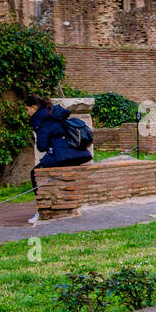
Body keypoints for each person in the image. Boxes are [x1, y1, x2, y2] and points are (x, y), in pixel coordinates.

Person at [24, 95, 92, 225]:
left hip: (62, 155)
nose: (27, 113)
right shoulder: (54, 113)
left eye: (27, 109)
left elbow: (42, 147)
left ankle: (42, 209)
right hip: (77, 153)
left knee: (35, 174)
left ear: (34, 107)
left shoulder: (42, 119)